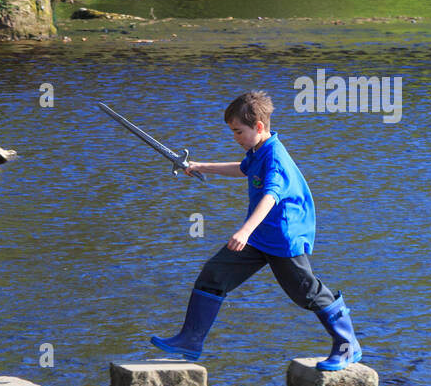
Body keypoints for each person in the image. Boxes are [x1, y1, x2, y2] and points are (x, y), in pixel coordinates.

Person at [149, 90, 363, 370]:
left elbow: (271, 196)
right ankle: (191, 339)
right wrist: (200, 166)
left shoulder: (275, 158)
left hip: (282, 239)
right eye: (233, 132)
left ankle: (348, 346)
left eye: (238, 132)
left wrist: (245, 231)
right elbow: (242, 169)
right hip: (261, 235)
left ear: (259, 127)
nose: (235, 138)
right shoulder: (257, 150)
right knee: (214, 274)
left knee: (306, 292)